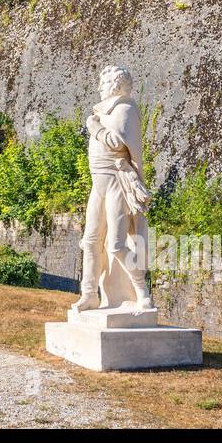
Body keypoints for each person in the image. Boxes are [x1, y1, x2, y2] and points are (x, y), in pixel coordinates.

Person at [72, 66, 154, 312]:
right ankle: (89, 295)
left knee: (116, 245)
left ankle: (142, 291)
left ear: (117, 86)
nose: (99, 87)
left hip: (116, 182)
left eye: (103, 83)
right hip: (99, 184)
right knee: (90, 241)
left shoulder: (125, 108)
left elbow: (117, 142)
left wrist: (94, 128)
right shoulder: (105, 111)